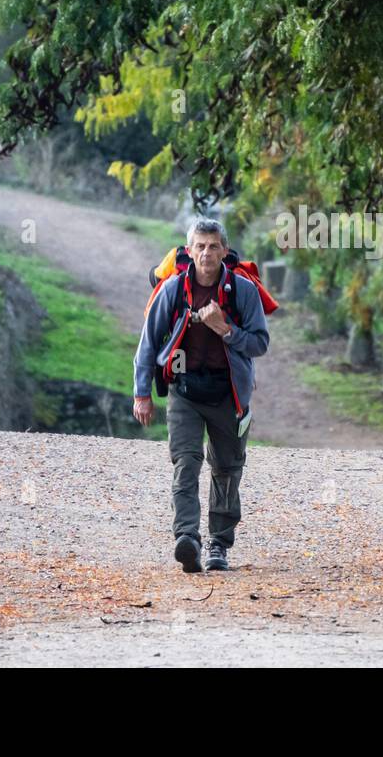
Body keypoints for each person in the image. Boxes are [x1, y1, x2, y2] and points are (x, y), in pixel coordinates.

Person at [132, 218, 270, 572]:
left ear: (224, 251)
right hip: (184, 391)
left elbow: (259, 343)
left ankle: (219, 546)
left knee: (226, 469)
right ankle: (188, 538)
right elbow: (148, 344)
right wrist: (141, 393)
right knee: (187, 462)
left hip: (228, 393)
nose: (206, 253)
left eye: (213, 246)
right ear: (189, 251)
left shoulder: (242, 291)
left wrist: (225, 329)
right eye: (200, 246)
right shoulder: (173, 290)